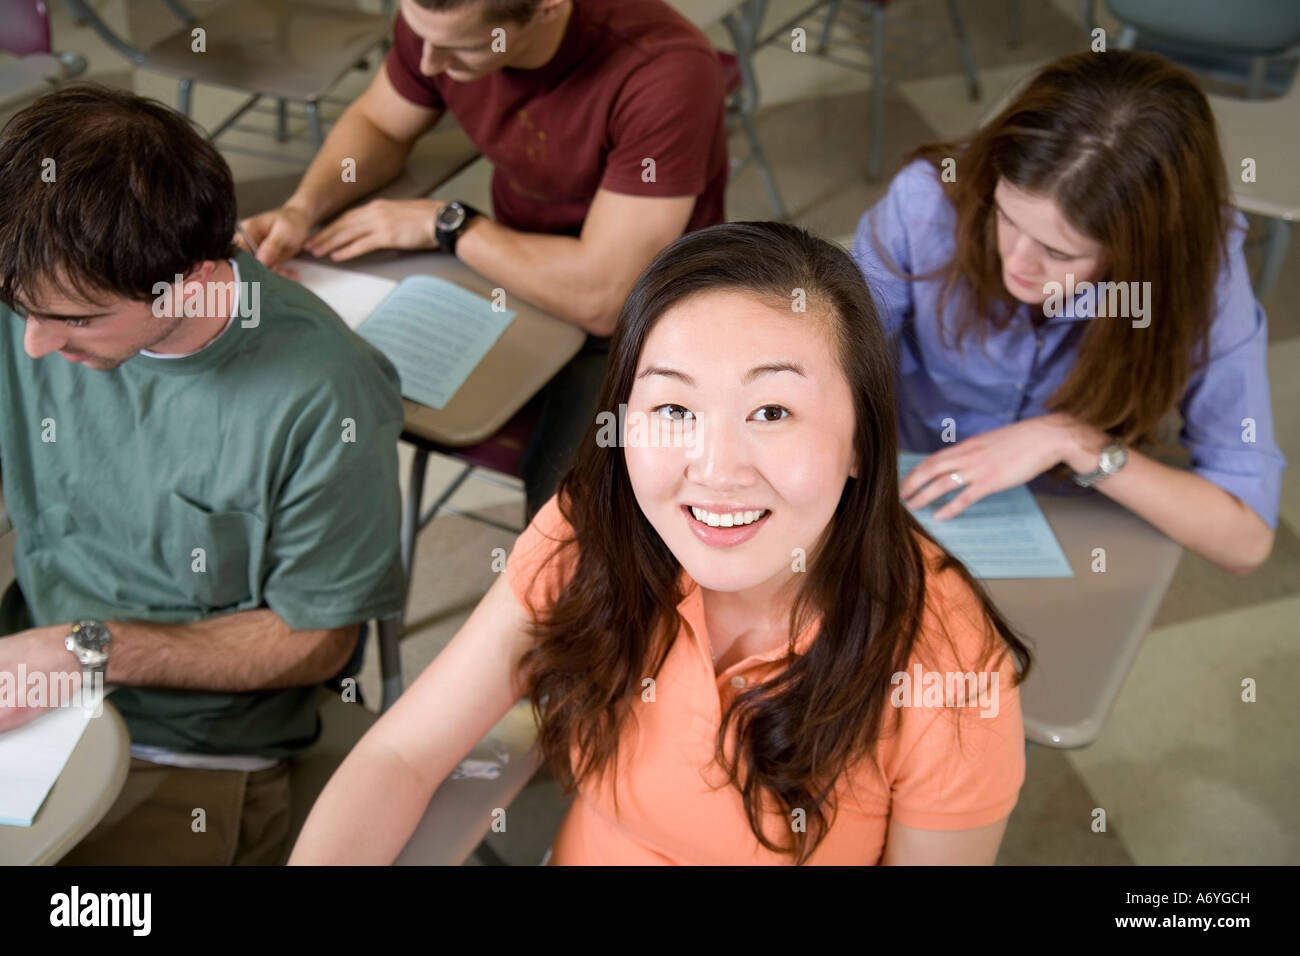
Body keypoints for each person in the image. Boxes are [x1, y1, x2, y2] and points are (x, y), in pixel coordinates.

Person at [289, 222, 1032, 865]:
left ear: (861, 445)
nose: (714, 470)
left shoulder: (949, 670)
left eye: (772, 410)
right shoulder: (593, 528)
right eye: (674, 406)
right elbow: (401, 754)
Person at [0, 85, 407, 865]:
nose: (35, 348)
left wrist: (87, 651)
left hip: (194, 746)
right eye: (23, 311)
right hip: (28, 697)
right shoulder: (36, 291)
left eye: (78, 320)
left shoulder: (323, 393)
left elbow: (318, 640)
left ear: (192, 281)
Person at [241, 0, 729, 520]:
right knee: (302, 389)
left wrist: (447, 224)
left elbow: (602, 298)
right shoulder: (439, 21)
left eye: (458, 48)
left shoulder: (663, 72)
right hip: (504, 267)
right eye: (419, 35)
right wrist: (303, 207)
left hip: (644, 306)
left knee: (568, 517)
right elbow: (381, 125)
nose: (427, 62)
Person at [851, 50, 1285, 576]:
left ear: (1140, 253)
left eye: (1059, 253)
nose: (1018, 263)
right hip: (909, 476)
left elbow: (1246, 540)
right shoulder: (928, 202)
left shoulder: (1203, 273)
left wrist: (1074, 441)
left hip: (1071, 509)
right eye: (1007, 218)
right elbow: (832, 355)